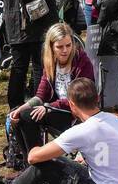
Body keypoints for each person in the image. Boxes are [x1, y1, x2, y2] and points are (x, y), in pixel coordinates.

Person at [8, 22, 95, 151]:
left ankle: (38, 160)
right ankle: (32, 162)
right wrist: (21, 108)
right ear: (51, 47)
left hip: (78, 113)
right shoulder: (51, 63)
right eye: (60, 47)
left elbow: (81, 98)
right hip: (57, 110)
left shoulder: (81, 61)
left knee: (28, 116)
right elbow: (41, 95)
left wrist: (49, 107)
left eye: (68, 45)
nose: (65, 50)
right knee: (19, 115)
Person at [0, 0, 58, 111]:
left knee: (18, 67)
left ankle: (14, 106)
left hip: (15, 22)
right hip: (38, 21)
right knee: (39, 65)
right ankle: (38, 102)